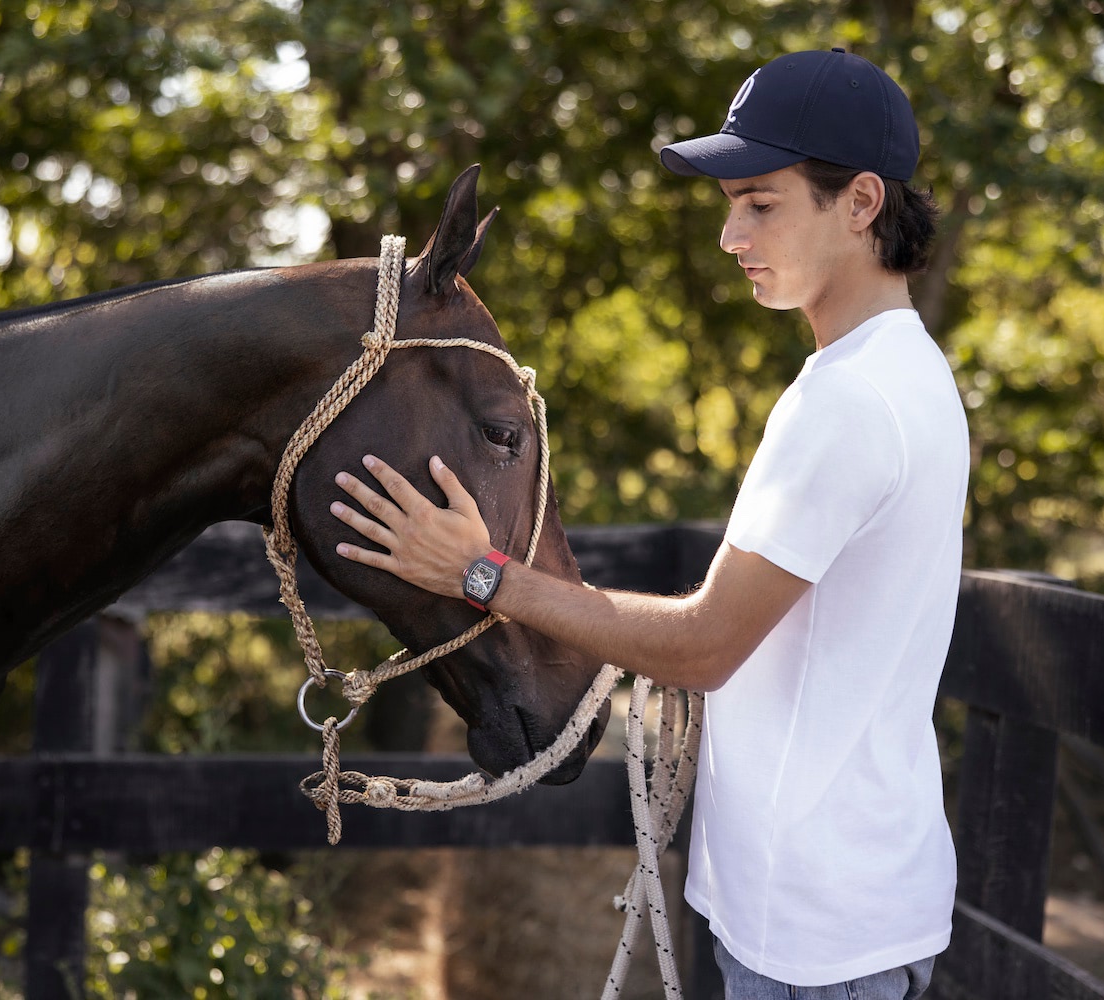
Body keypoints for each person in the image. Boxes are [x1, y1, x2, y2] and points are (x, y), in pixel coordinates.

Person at [328, 47, 966, 1000]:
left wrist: (482, 572)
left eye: (760, 202)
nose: (729, 234)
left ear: (861, 202)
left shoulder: (851, 403)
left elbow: (706, 646)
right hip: (852, 902)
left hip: (811, 936)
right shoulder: (905, 373)